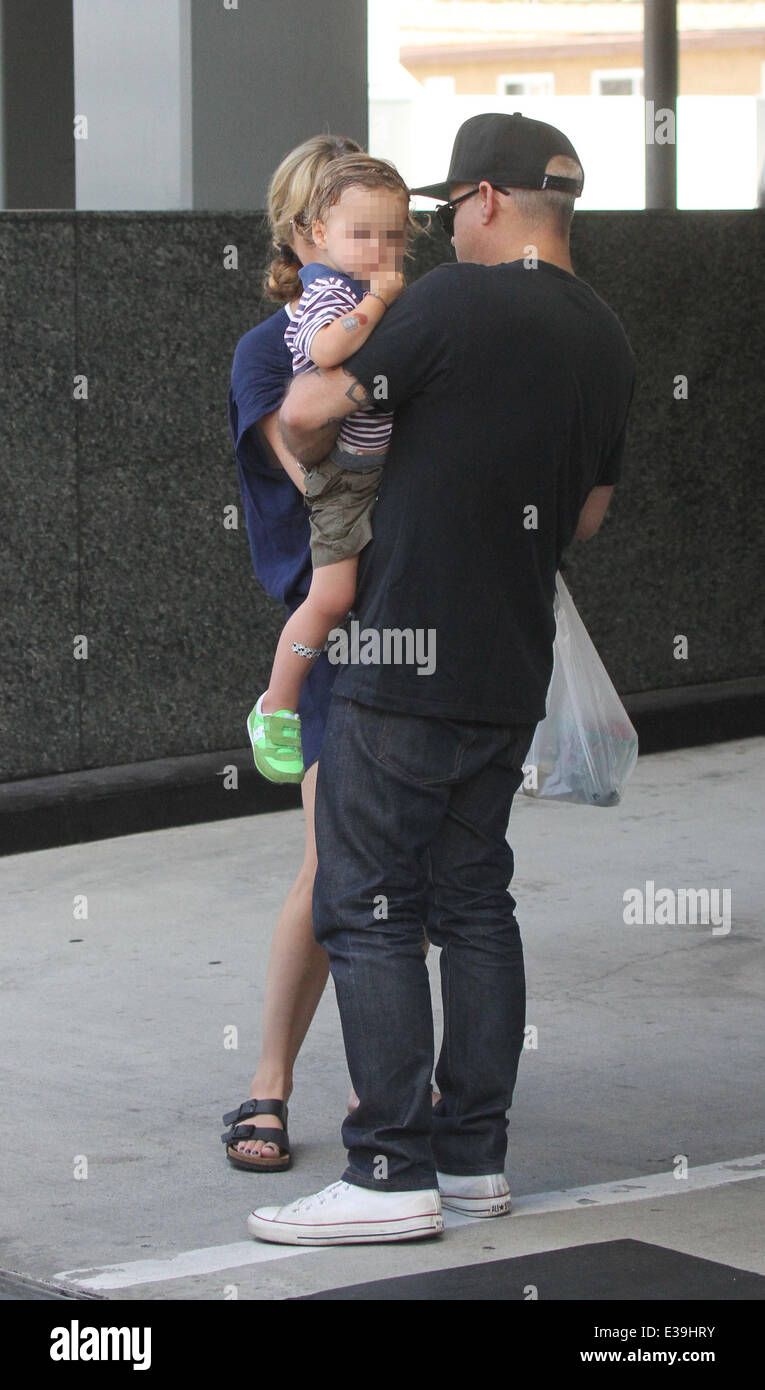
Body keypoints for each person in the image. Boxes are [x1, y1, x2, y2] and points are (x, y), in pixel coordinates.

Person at [246, 112, 636, 1243]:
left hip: (398, 649)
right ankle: (472, 1159)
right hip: (509, 662)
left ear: (480, 201)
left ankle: (387, 1175)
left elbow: (314, 411)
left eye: (438, 210)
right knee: (476, 905)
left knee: (368, 906)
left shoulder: (452, 302)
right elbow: (591, 513)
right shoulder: (606, 335)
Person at [222, 133, 362, 1172]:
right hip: (331, 635)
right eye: (346, 225)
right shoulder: (271, 350)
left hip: (421, 628)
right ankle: (273, 1079)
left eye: (388, 231)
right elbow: (307, 466)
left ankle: (385, 1083)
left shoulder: (399, 327)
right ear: (301, 232)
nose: (367, 249)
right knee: (334, 870)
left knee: (403, 873)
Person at [246, 155, 411, 785]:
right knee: (333, 596)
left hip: (383, 474)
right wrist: (380, 300)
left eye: (393, 236)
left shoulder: (363, 290)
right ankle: (276, 706)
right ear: (317, 232)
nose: (379, 248)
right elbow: (327, 350)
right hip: (344, 481)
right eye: (362, 234)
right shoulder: (328, 291)